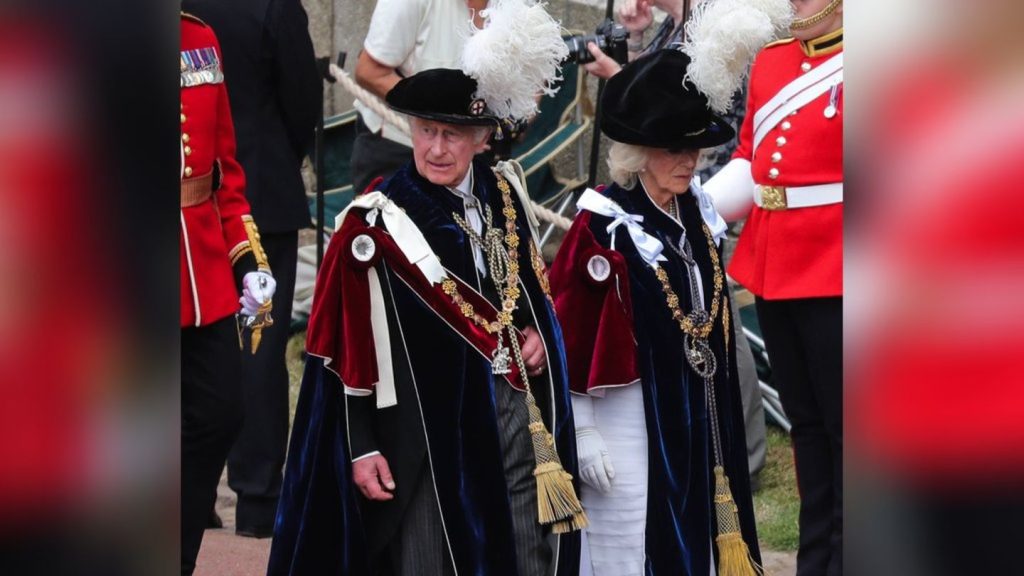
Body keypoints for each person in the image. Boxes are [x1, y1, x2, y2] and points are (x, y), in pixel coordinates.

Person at [268, 4, 583, 574]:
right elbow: (341, 351)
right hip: (423, 440)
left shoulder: (504, 196)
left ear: (482, 137)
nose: (437, 148)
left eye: (453, 135)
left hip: (513, 418)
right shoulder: (374, 223)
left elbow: (528, 291)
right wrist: (361, 444)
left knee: (529, 556)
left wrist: (537, 334)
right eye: (427, 131)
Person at [549, 49, 760, 576]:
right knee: (633, 536)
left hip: (702, 410)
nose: (689, 160)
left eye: (695, 147)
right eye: (674, 149)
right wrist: (584, 431)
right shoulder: (604, 225)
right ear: (639, 151)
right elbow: (571, 335)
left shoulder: (694, 213)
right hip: (629, 418)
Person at [703, 1, 844, 574]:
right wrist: (691, 215)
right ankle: (817, 561)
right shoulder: (771, 62)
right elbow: (751, 160)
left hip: (843, 264)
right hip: (777, 261)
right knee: (808, 430)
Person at [182, 0, 321, 538]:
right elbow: (302, 100)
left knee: (217, 361)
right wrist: (275, 157)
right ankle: (256, 500)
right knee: (254, 351)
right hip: (253, 192)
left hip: (226, 202)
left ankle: (197, 494)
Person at [180, 12, 277, 574]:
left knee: (222, 411)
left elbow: (223, 176)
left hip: (201, 277)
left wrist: (247, 261)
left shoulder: (198, 38)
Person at [350, 0, 490, 196]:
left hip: (473, 155)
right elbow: (369, 72)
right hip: (398, 150)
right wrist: (444, 115)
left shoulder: (518, 7)